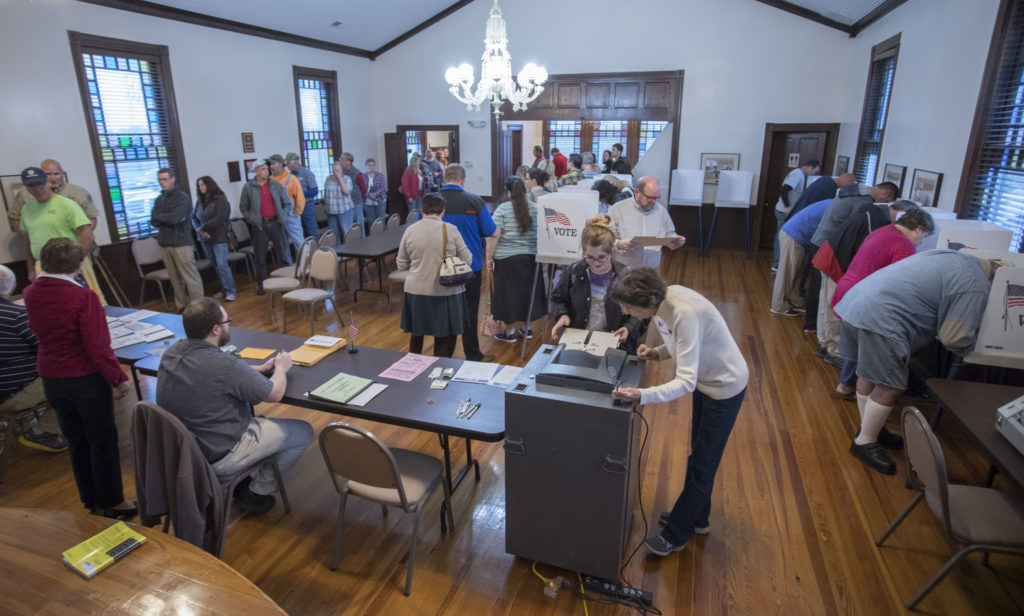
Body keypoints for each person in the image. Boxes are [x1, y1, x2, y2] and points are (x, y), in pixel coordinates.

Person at [609, 267, 748, 557]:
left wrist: (642, 394)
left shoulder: (683, 311)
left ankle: (675, 536)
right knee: (700, 454)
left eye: (629, 306)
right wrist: (657, 353)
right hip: (707, 382)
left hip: (723, 389)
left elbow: (685, 382)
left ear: (647, 299)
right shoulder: (664, 301)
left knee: (702, 463)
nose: (626, 311)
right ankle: (698, 518)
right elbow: (683, 344)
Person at [834, 250, 993, 475]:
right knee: (890, 386)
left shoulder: (952, 255)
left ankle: (870, 429)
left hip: (856, 303)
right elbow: (954, 338)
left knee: (868, 373)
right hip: (882, 319)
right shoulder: (977, 282)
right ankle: (864, 442)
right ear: (995, 278)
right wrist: (970, 347)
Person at [156, 298, 314, 513]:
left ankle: (246, 481)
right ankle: (256, 492)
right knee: (303, 431)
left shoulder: (173, 352)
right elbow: (274, 394)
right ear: (215, 329)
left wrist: (257, 369)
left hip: (184, 450)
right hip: (219, 454)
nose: (228, 326)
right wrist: (280, 369)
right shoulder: (223, 364)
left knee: (261, 421)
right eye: (226, 322)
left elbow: (219, 374)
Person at [23, 238, 135, 518]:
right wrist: (118, 379)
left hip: (51, 376)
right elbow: (97, 347)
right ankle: (112, 502)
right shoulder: (83, 297)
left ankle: (90, 499)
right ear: (78, 265)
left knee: (76, 440)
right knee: (102, 440)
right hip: (83, 378)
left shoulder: (30, 293)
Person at [830, 206, 934, 398]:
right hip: (864, 298)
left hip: (848, 289)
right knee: (866, 349)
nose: (921, 242)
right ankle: (857, 392)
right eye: (924, 236)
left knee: (853, 347)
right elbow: (902, 282)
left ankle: (844, 386)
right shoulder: (904, 245)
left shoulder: (884, 230)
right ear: (919, 229)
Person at [809, 181, 898, 361]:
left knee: (826, 305)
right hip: (835, 259)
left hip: (829, 252)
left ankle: (824, 343)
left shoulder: (870, 209)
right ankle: (834, 351)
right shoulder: (877, 220)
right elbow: (869, 249)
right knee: (833, 307)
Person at [549, 215, 644, 354]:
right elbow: (557, 299)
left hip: (614, 346)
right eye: (590, 257)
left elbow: (643, 312)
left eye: (602, 257)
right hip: (578, 343)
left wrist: (629, 328)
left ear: (611, 251)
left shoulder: (626, 276)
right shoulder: (574, 272)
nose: (596, 263)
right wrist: (562, 315)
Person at [0, 264, 67, 453]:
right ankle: (43, 431)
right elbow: (49, 346)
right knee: (73, 379)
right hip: (9, 395)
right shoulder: (17, 316)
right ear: (12, 286)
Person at [395, 193, 472, 357]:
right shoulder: (450, 230)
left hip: (415, 290)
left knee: (416, 335)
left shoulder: (410, 230)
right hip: (445, 291)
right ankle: (438, 374)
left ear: (422, 211)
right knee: (442, 337)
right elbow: (468, 259)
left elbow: (401, 264)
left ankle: (411, 372)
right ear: (443, 212)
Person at [439, 164, 496, 362]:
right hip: (470, 268)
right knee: (470, 312)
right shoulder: (475, 201)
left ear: (445, 179)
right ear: (463, 181)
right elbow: (489, 230)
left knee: (445, 312)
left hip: (441, 267)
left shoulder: (431, 202)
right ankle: (473, 355)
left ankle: (445, 356)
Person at [485, 178, 547, 342]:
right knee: (528, 295)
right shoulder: (535, 209)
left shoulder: (502, 209)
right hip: (531, 258)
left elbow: (494, 236)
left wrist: (488, 258)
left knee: (508, 296)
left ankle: (509, 332)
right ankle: (527, 329)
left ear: (508, 192)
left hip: (506, 259)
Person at [16, 167, 95, 289]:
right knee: (53, 304)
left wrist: (77, 263)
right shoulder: (27, 209)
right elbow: (28, 241)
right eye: (31, 186)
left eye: (39, 184)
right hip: (43, 267)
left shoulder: (67, 205)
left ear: (47, 182)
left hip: (70, 266)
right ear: (26, 188)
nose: (36, 189)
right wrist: (30, 268)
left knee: (84, 302)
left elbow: (87, 235)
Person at [151, 168, 204, 312]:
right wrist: (163, 217)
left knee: (189, 275)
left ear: (173, 179)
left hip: (181, 242)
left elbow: (176, 218)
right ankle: (182, 305)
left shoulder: (182, 197)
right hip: (165, 243)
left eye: (165, 179)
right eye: (160, 180)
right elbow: (153, 220)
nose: (162, 182)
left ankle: (197, 306)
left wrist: (161, 217)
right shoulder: (159, 199)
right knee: (174, 278)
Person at [769, 198, 833, 317]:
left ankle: (795, 300)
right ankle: (778, 306)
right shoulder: (836, 207)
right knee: (787, 272)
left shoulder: (833, 203)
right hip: (793, 235)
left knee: (797, 272)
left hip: (797, 235)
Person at [239, 158, 293, 294]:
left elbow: (287, 203)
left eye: (267, 169)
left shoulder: (275, 185)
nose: (266, 171)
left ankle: (285, 284)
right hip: (260, 225)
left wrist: (283, 216)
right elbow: (243, 207)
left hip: (276, 222)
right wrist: (252, 219)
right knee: (260, 258)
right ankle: (262, 285)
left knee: (283, 255)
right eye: (263, 169)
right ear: (256, 171)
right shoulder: (248, 187)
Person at [609, 176, 685, 269]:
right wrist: (619, 244)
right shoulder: (617, 209)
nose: (653, 201)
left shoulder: (661, 210)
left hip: (652, 268)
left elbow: (669, 233)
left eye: (656, 197)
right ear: (637, 192)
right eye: (649, 198)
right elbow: (605, 239)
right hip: (624, 267)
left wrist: (676, 240)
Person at [192, 176, 236, 302]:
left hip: (219, 237)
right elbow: (193, 217)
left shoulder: (220, 199)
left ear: (210, 185)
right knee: (215, 265)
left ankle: (230, 291)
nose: (201, 188)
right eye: (199, 185)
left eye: (203, 185)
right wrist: (198, 230)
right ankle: (224, 288)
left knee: (222, 264)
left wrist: (203, 228)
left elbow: (220, 218)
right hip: (205, 239)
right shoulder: (200, 201)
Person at [772, 159, 820, 270]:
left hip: (785, 211)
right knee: (781, 237)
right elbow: (784, 190)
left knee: (782, 236)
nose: (813, 174)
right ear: (809, 167)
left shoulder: (799, 174)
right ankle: (777, 264)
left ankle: (778, 263)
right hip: (784, 212)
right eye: (814, 171)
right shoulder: (797, 174)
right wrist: (788, 207)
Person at [269, 154, 306, 256]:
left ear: (281, 164)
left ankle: (305, 267)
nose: (271, 166)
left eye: (273, 164)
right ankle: (287, 268)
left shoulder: (292, 179)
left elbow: (300, 198)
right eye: (270, 164)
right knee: (281, 244)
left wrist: (296, 213)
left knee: (299, 242)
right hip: (276, 217)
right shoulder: (270, 180)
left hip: (291, 216)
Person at [284, 152, 319, 240]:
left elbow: (315, 191)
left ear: (295, 162)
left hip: (307, 206)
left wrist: (299, 193)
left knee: (311, 231)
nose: (287, 166)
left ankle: (317, 252)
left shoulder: (307, 173)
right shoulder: (289, 176)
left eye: (288, 163)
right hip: (295, 207)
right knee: (300, 232)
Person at [323, 160, 357, 240]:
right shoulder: (328, 179)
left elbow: (346, 190)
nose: (335, 172)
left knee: (347, 234)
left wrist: (339, 178)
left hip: (344, 211)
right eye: (334, 170)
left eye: (337, 170)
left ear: (342, 170)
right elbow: (326, 194)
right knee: (334, 236)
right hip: (331, 212)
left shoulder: (346, 179)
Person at [340, 152, 368, 233]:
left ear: (348, 162)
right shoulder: (341, 172)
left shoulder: (357, 174)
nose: (340, 161)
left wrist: (360, 200)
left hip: (356, 203)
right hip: (345, 205)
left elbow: (364, 189)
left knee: (359, 226)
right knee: (348, 228)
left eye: (342, 159)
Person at [363, 157, 388, 226]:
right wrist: (369, 195)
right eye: (369, 165)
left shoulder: (380, 175)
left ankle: (383, 236)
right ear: (366, 166)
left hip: (380, 201)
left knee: (381, 221)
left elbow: (383, 187)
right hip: (368, 203)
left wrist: (375, 194)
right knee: (371, 222)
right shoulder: (363, 176)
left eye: (373, 165)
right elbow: (362, 189)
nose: (371, 167)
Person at [401, 153, 424, 218]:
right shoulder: (408, 171)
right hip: (412, 195)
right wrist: (409, 196)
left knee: (419, 211)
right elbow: (405, 185)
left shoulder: (419, 171)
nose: (420, 163)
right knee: (412, 212)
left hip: (419, 193)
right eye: (418, 162)